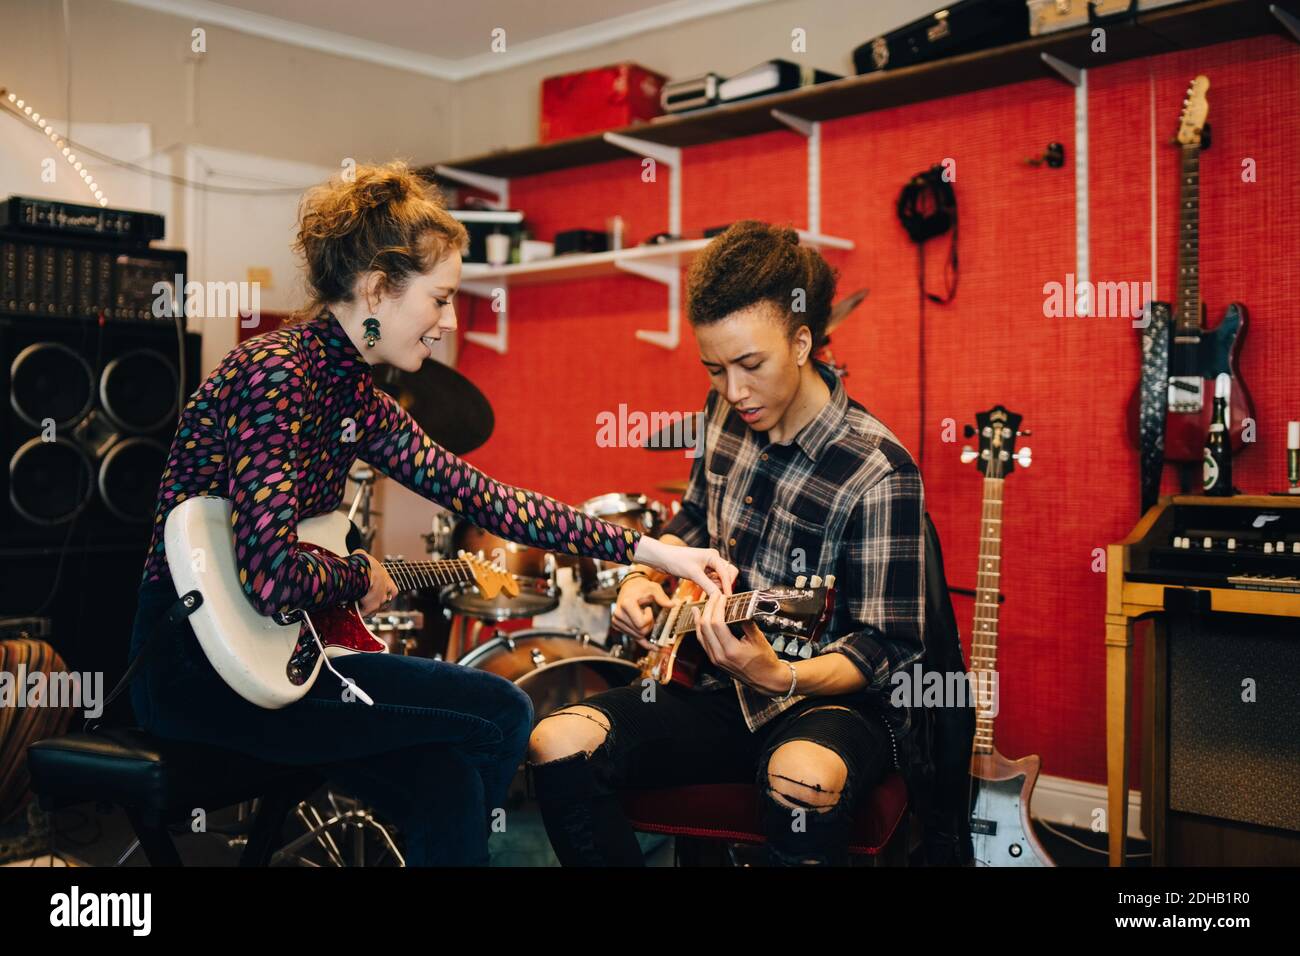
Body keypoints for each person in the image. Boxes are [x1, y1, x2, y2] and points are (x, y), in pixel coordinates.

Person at [129, 160, 737, 866]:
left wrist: (656, 552)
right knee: (502, 710)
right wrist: (358, 575)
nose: (448, 324)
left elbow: (490, 500)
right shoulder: (276, 373)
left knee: (443, 779)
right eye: (441, 300)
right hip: (198, 673)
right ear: (378, 289)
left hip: (264, 656)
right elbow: (269, 577)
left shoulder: (351, 394)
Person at [528, 221, 926, 866]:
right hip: (711, 690)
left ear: (802, 341)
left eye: (750, 365)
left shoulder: (879, 468)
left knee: (804, 779)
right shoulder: (725, 415)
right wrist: (642, 578)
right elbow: (690, 521)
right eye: (714, 369)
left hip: (828, 704)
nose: (733, 391)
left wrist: (779, 673)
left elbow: (888, 646)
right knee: (555, 742)